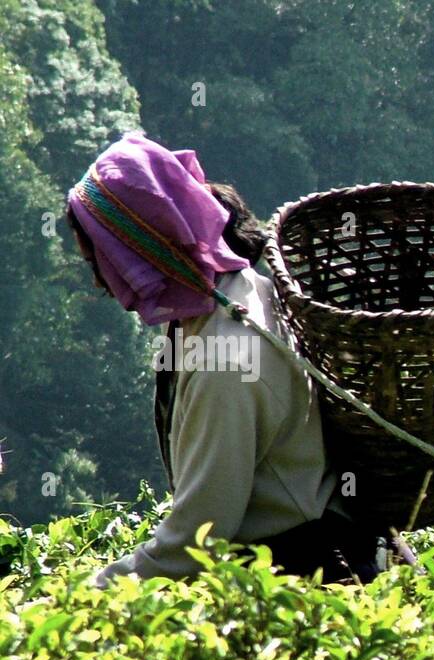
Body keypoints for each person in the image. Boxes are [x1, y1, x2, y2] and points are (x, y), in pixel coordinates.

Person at [66, 132, 384, 586]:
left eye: (100, 259)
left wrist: (78, 597)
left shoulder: (226, 355)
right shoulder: (239, 292)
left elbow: (196, 544)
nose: (101, 281)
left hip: (300, 584)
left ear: (134, 248)